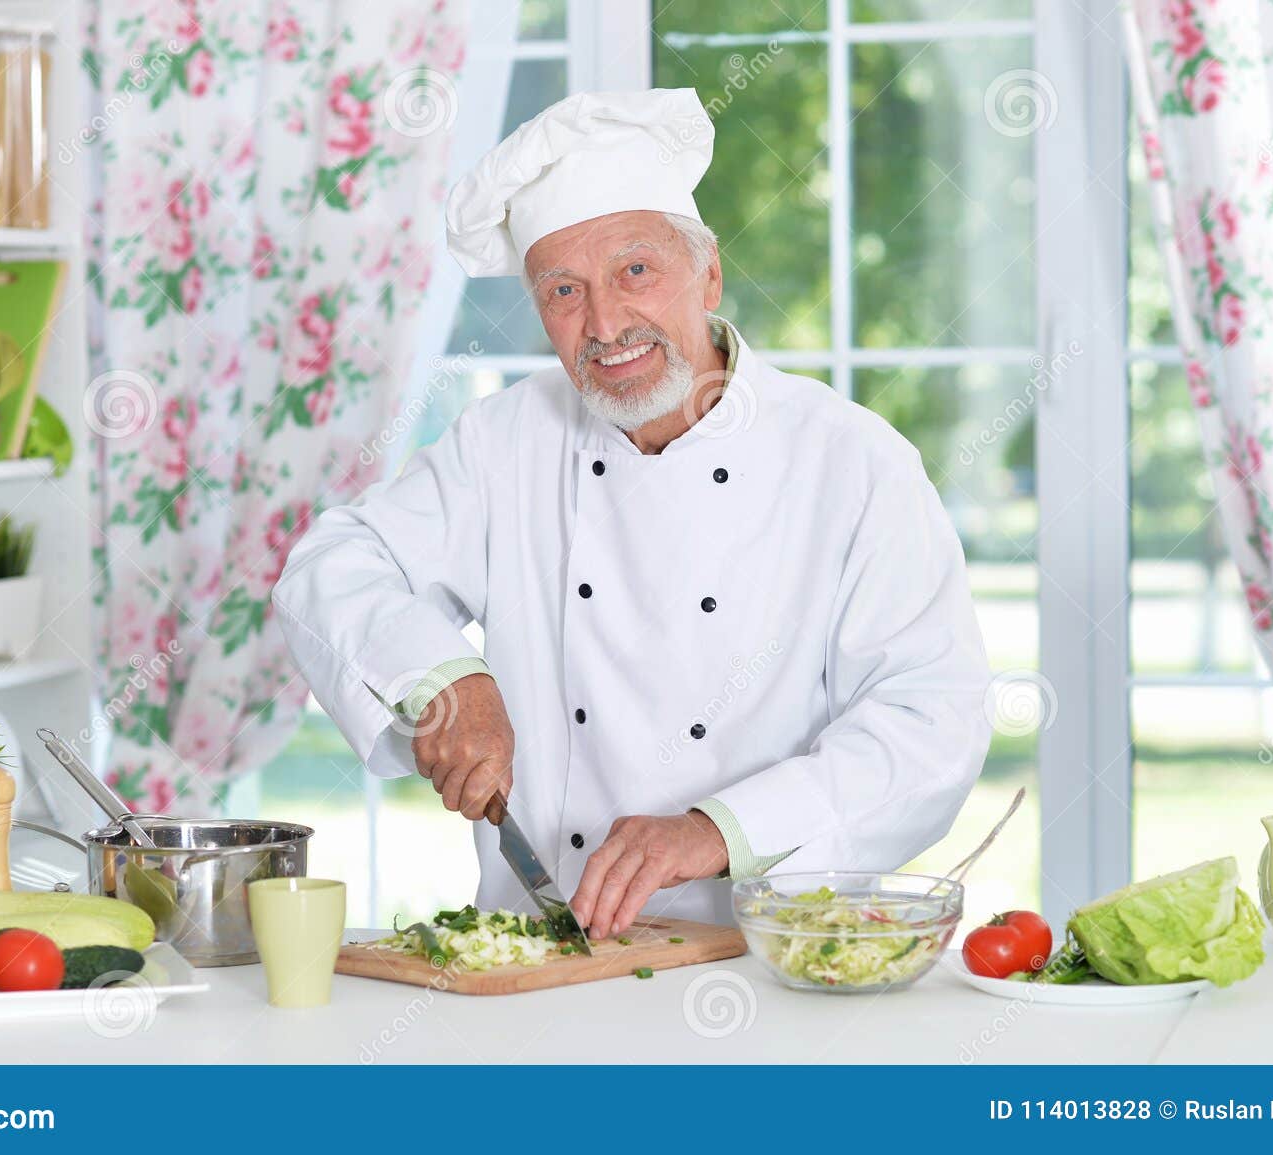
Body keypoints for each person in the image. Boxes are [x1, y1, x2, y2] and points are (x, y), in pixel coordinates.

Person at [273, 89, 992, 938]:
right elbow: (334, 564)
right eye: (564, 291)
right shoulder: (503, 441)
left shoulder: (853, 461)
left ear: (709, 271)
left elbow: (931, 720)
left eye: (636, 272)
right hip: (540, 957)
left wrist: (720, 829)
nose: (606, 323)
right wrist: (442, 679)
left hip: (763, 959)